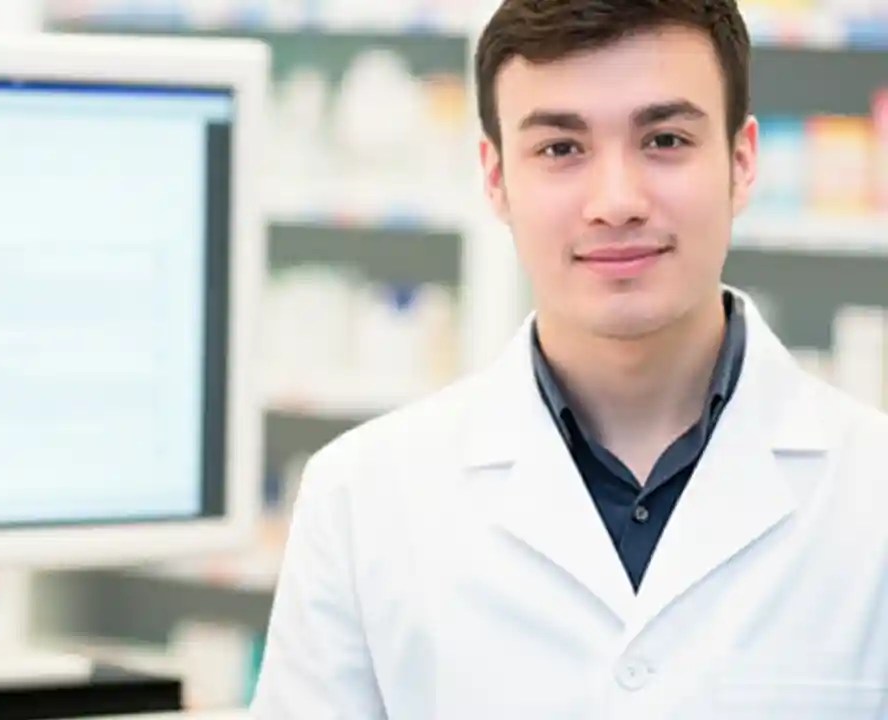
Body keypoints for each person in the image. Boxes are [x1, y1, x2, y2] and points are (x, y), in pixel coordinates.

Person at [250, 0, 888, 717]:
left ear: (741, 163)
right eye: (560, 149)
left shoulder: (872, 495)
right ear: (495, 178)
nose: (616, 202)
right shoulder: (357, 500)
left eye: (666, 139)